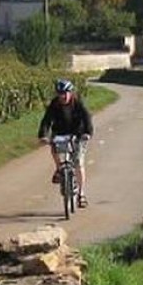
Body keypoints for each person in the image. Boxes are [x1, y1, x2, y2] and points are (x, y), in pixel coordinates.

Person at [37, 78, 93, 207]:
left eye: (65, 93)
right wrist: (43, 135)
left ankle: (81, 194)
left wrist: (87, 133)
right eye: (60, 93)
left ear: (70, 93)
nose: (63, 96)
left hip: (77, 134)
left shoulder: (77, 102)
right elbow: (46, 120)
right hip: (60, 132)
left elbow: (87, 117)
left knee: (78, 162)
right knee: (54, 147)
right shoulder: (54, 104)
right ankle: (59, 169)